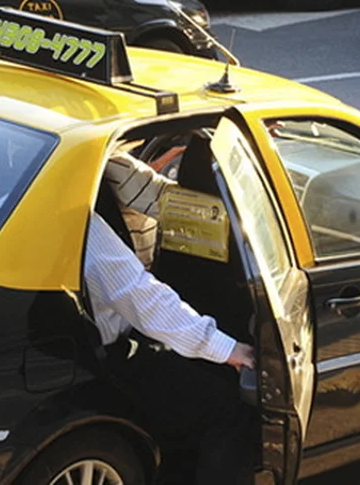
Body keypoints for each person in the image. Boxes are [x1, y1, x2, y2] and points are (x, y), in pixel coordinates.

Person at [87, 151, 256, 484]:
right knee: (229, 410)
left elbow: (167, 202)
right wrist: (226, 349)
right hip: (105, 358)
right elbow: (139, 295)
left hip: (79, 344)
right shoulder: (79, 220)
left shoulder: (6, 193)